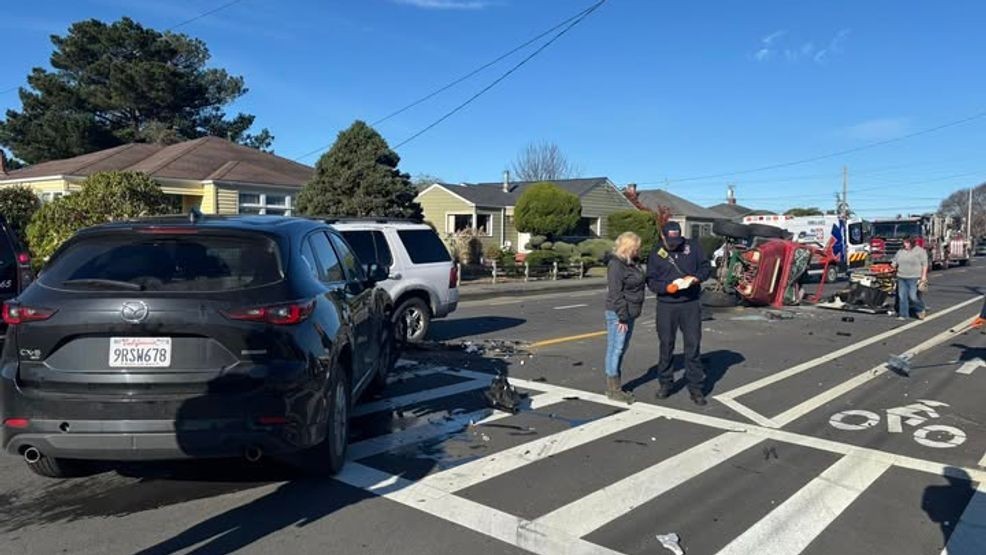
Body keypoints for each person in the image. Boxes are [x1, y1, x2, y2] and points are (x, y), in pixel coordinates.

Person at [647, 222, 712, 405]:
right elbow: (651, 281)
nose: (674, 243)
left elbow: (706, 268)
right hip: (666, 305)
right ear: (663, 236)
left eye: (677, 240)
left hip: (690, 303)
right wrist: (666, 287)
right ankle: (666, 383)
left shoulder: (693, 247)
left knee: (692, 345)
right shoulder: (656, 252)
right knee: (666, 345)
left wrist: (695, 278)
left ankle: (696, 387)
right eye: (670, 240)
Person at [603, 232, 645, 404]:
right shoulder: (615, 265)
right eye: (636, 248)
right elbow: (615, 293)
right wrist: (622, 317)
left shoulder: (632, 263)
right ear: (629, 247)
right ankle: (613, 388)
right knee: (616, 348)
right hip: (619, 314)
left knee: (621, 348)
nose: (638, 250)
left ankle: (615, 385)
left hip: (630, 312)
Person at [892, 236, 928, 320]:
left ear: (912, 243)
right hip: (901, 276)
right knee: (902, 296)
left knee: (912, 296)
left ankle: (920, 308)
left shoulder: (920, 251)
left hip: (914, 277)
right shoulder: (900, 252)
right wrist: (893, 265)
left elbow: (924, 264)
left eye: (907, 243)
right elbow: (895, 261)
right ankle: (903, 314)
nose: (905, 245)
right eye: (904, 242)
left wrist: (923, 276)